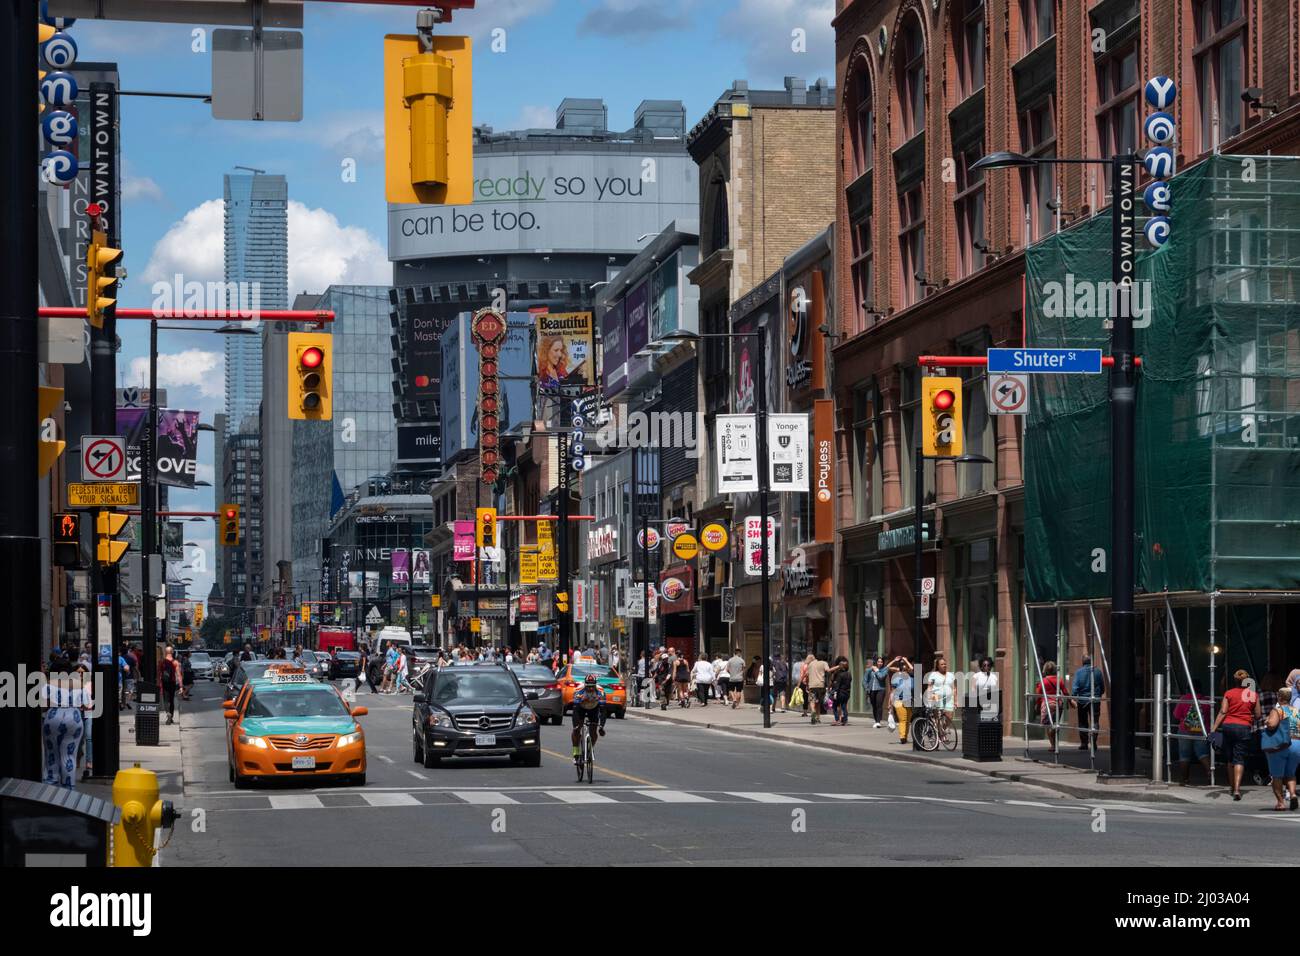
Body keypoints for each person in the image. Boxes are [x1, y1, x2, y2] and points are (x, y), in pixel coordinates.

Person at [1210, 669, 1260, 801]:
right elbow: (1258, 715)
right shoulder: (1253, 695)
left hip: (1228, 726)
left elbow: (1223, 711)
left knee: (1230, 759)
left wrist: (1214, 729)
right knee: (1239, 758)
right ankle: (1238, 789)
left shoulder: (1229, 693)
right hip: (1244, 727)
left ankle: (1232, 787)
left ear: (1235, 681)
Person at [41, 655, 85, 789]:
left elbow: (43, 705)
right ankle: (69, 787)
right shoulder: (79, 684)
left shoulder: (49, 684)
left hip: (53, 717)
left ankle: (51, 783)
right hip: (74, 717)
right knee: (69, 755)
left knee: (52, 753)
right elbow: (85, 704)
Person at [1260, 686, 1299, 811]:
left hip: (1281, 745)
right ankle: (1293, 794)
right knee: (1291, 773)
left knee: (1277, 775)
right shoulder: (1297, 711)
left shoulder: (1277, 710)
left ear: (1279, 697)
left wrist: (1266, 721)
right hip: (1297, 744)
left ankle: (1280, 803)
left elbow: (1272, 724)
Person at [1172, 680, 1213, 785]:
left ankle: (1184, 779)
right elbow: (1211, 717)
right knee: (1203, 753)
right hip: (1202, 730)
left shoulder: (1184, 699)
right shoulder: (1206, 700)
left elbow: (1176, 716)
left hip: (1185, 730)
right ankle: (1210, 775)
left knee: (1184, 755)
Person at [570, 673, 607, 765]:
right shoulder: (579, 690)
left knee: (593, 731)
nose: (590, 689)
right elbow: (575, 710)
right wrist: (576, 725)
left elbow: (603, 711)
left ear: (595, 685)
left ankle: (590, 749)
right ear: (585, 685)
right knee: (577, 730)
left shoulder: (601, 692)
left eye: (592, 686)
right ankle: (575, 753)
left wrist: (601, 726)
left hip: (593, 709)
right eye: (588, 686)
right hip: (580, 709)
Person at [1033, 661, 1070, 751]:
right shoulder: (1059, 680)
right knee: (1055, 724)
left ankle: (1053, 745)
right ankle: (1055, 742)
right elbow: (1065, 692)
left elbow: (1039, 695)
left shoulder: (1043, 681)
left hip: (1047, 705)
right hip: (1058, 704)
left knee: (1047, 725)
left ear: (1045, 670)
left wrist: (1037, 705)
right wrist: (1070, 701)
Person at [1072, 655, 1105, 750]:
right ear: (1091, 661)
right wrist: (1099, 694)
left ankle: (1084, 743)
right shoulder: (1098, 672)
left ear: (1082, 662)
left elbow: (1075, 688)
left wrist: (1074, 696)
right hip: (1095, 700)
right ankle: (1094, 742)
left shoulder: (1078, 672)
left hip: (1082, 701)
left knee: (1083, 722)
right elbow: (1102, 687)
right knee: (1095, 721)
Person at [888, 656, 915, 744]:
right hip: (899, 700)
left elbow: (912, 668)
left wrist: (906, 660)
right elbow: (892, 691)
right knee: (902, 719)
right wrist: (890, 704)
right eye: (902, 668)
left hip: (909, 700)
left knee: (907, 720)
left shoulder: (911, 676)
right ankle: (902, 737)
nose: (904, 669)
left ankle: (905, 736)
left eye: (905, 668)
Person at [863, 656, 890, 728]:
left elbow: (881, 677)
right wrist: (867, 689)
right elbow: (865, 680)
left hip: (881, 689)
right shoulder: (869, 670)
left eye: (881, 662)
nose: (880, 663)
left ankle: (878, 721)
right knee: (874, 706)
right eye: (878, 662)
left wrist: (877, 670)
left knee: (879, 705)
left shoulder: (884, 670)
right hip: (871, 690)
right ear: (876, 662)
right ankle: (876, 721)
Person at [972, 656, 1000, 722]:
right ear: (981, 666)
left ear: (991, 666)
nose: (986, 667)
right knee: (981, 721)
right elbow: (973, 689)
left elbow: (996, 690)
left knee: (991, 721)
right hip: (979, 701)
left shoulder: (994, 677)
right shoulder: (976, 676)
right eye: (984, 665)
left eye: (988, 665)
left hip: (991, 701)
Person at [805, 653, 829, 724]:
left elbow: (807, 675)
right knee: (818, 703)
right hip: (820, 685)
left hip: (812, 686)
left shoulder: (810, 664)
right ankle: (818, 718)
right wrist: (837, 667)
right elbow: (828, 670)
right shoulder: (824, 663)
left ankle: (813, 712)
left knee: (812, 701)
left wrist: (807, 684)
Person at [160, 646, 182, 725]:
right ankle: (171, 717)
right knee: (171, 700)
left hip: (164, 682)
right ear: (172, 652)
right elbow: (179, 675)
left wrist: (158, 684)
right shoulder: (175, 662)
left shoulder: (161, 661)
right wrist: (181, 686)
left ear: (166, 652)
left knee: (165, 699)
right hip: (172, 683)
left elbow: (158, 674)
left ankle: (168, 713)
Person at [829, 656, 853, 726]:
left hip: (840, 693)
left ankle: (837, 720)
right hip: (847, 693)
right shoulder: (849, 674)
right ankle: (845, 720)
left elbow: (837, 685)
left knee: (834, 706)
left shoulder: (840, 675)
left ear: (841, 667)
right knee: (844, 706)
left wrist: (835, 693)